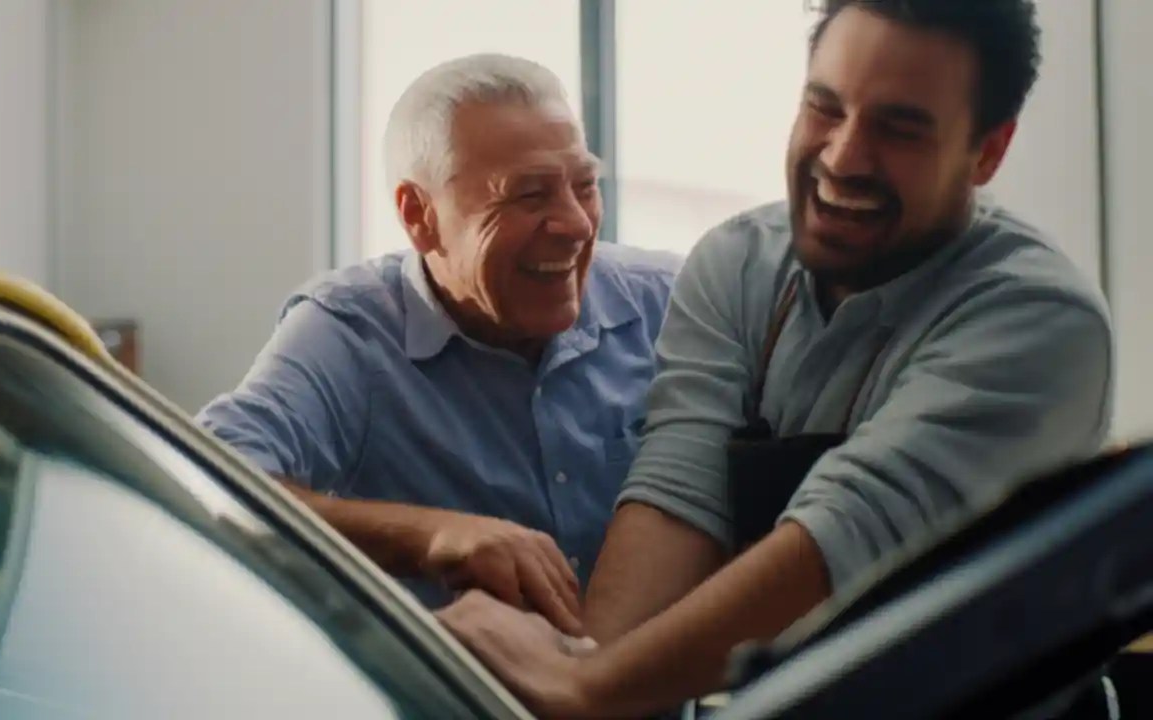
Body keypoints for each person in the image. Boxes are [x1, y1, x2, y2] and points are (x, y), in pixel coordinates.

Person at [437, 2, 1114, 717]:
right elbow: (678, 495)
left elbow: (847, 539)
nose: (844, 157)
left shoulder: (1039, 321)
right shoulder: (736, 265)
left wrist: (586, 687)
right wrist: (583, 676)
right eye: (825, 108)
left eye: (900, 128)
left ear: (988, 151)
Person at [197, 53, 681, 636]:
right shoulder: (350, 334)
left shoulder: (668, 304)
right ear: (419, 214)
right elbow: (207, 480)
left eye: (584, 186)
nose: (576, 224)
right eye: (529, 196)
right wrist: (430, 536)